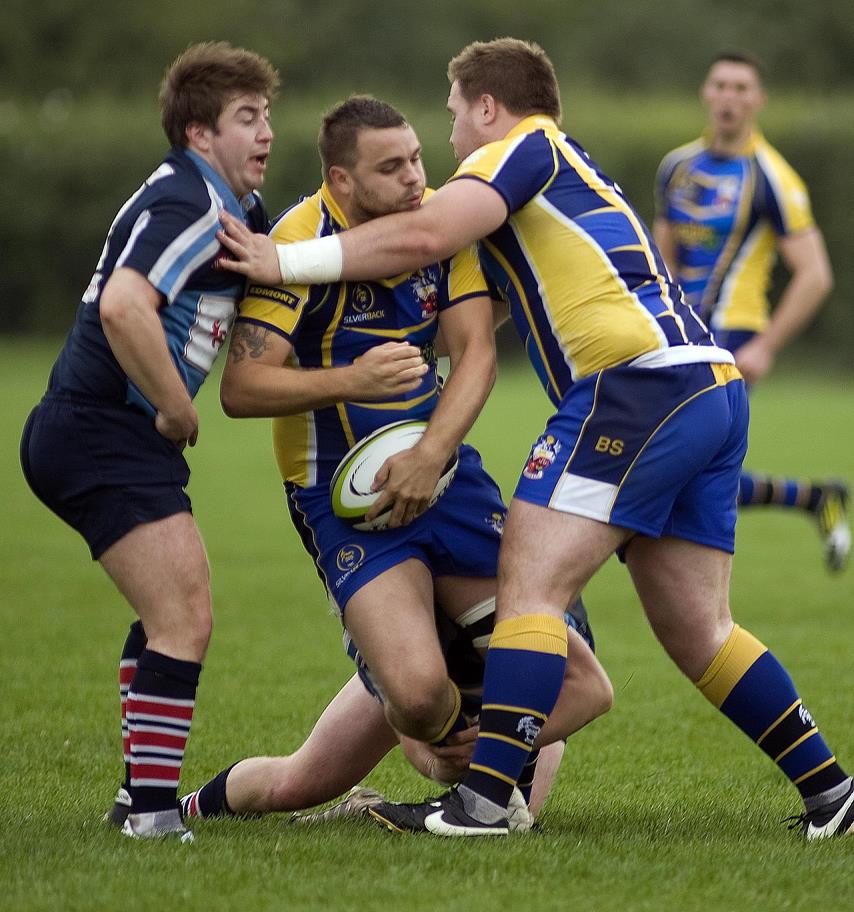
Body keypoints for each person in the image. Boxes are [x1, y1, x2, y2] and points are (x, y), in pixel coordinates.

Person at [215, 39, 854, 841]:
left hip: (635, 385)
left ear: (488, 108)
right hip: (707, 382)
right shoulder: (562, 167)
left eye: (450, 120)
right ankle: (833, 792)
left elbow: (423, 239)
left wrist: (283, 258)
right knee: (701, 629)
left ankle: (480, 805)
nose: (447, 147)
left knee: (529, 581)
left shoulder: (524, 148)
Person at [194, 95, 612, 818]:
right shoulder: (293, 244)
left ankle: (469, 762)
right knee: (370, 736)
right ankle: (207, 803)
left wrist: (431, 454)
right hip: (341, 502)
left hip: (445, 478)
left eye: (418, 157)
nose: (417, 178)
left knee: (578, 682)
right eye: (392, 168)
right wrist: (352, 381)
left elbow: (478, 352)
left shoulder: (440, 230)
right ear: (343, 181)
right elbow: (240, 388)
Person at [18, 42, 281, 842]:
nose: (266, 131)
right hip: (100, 427)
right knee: (185, 615)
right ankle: (156, 817)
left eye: (268, 114)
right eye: (247, 117)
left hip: (101, 434)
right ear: (200, 133)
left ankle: (140, 801)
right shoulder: (189, 203)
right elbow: (126, 307)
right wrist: (175, 406)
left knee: (167, 613)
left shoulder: (237, 208)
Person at [653, 50, 849, 574]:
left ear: (758, 101)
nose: (730, 97)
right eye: (721, 85)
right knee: (685, 466)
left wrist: (764, 345)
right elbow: (661, 256)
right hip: (679, 332)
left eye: (742, 88)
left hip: (734, 334)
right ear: (706, 93)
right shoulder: (677, 166)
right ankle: (814, 498)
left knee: (681, 462)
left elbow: (815, 274)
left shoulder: (773, 178)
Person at [178, 596, 602, 827]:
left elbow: (590, 690)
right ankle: (185, 808)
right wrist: (446, 759)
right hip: (430, 679)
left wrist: (504, 738)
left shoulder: (489, 583)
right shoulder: (377, 601)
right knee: (295, 784)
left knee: (509, 821)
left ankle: (377, 812)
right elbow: (421, 746)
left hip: (530, 691)